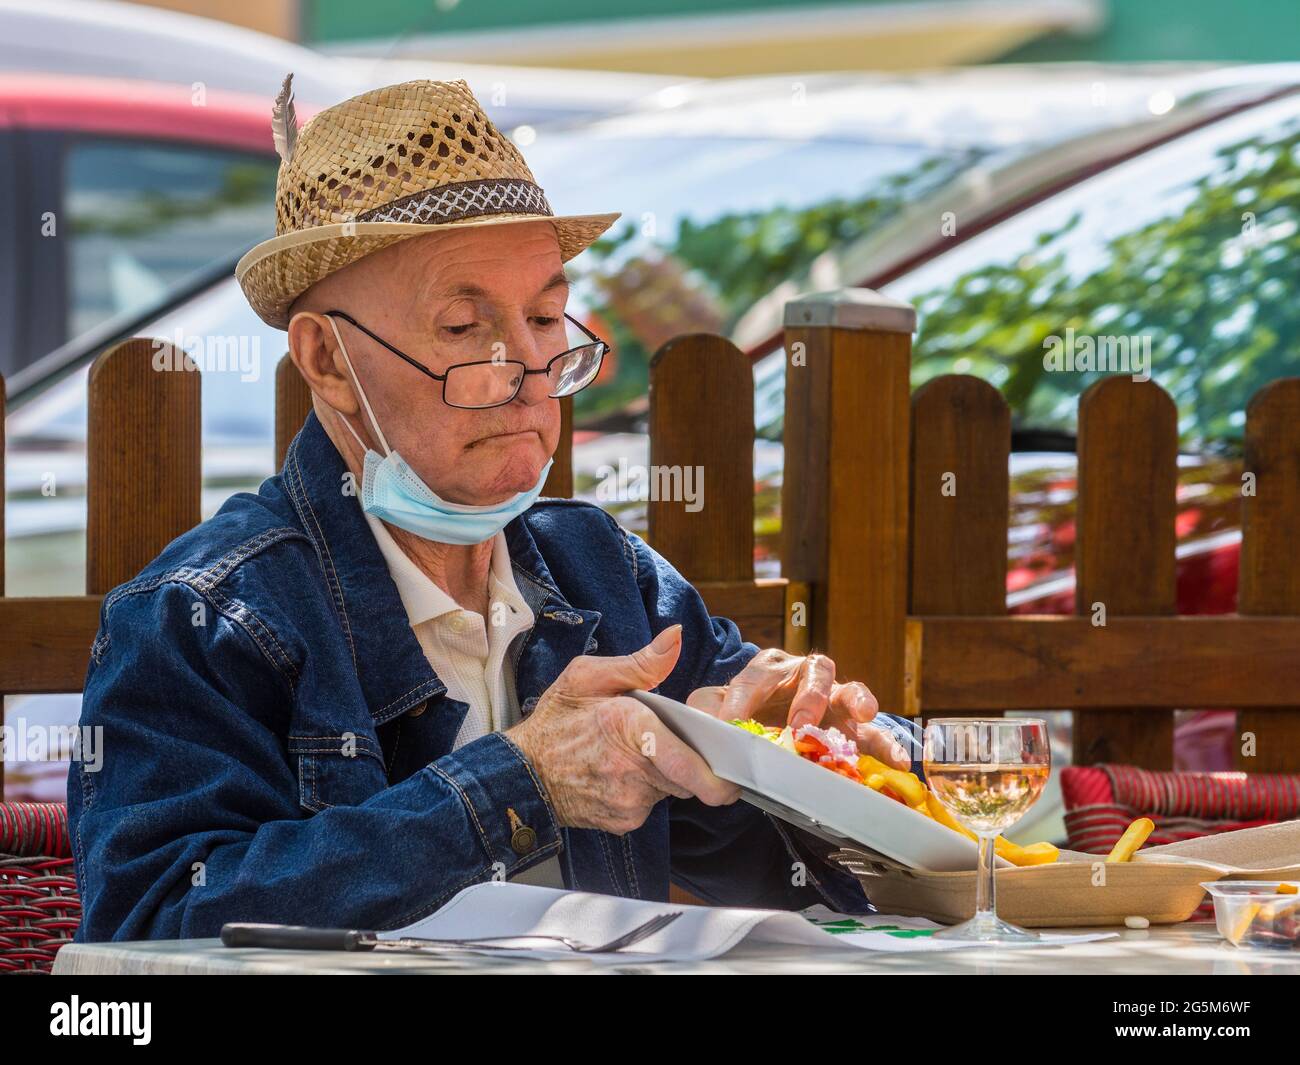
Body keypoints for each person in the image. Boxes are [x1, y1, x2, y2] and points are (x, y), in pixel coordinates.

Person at [68, 77, 915, 941]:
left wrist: (812, 769)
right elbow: (152, 930)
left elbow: (786, 875)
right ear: (325, 359)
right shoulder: (202, 616)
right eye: (466, 328)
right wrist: (525, 781)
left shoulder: (605, 574)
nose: (528, 377)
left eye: (546, 317)